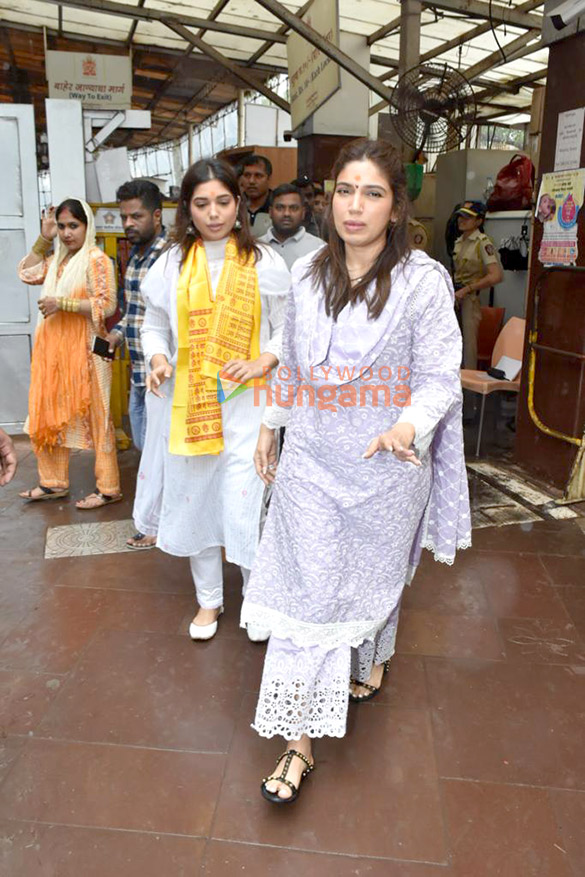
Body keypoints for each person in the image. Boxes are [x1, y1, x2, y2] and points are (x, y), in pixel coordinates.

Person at [240, 138, 471, 804]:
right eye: (344, 190)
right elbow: (292, 349)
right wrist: (269, 423)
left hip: (386, 469)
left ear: (396, 206)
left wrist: (405, 426)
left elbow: (434, 377)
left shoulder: (423, 282)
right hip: (312, 459)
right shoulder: (311, 271)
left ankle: (371, 655)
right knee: (306, 597)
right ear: (328, 198)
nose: (355, 205)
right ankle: (296, 743)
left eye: (372, 192)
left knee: (373, 581)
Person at [134, 158, 290, 642]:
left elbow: (289, 328)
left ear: (239, 204)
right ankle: (209, 602)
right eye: (202, 203)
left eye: (223, 201)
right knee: (196, 500)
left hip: (249, 410)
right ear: (187, 208)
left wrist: (266, 358)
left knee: (245, 504)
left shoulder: (265, 262)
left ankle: (257, 598)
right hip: (191, 409)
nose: (214, 213)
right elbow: (155, 325)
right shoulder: (172, 264)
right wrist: (159, 359)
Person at [17, 199, 122, 509]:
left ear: (87, 227)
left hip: (89, 351)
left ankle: (108, 488)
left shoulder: (96, 259)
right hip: (54, 353)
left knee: (99, 416)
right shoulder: (57, 261)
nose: (66, 233)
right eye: (62, 226)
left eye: (73, 226)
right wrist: (43, 237)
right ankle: (52, 482)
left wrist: (63, 304)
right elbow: (26, 272)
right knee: (49, 410)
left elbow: (107, 304)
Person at [105, 180, 168, 550]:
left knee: (158, 454)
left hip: (160, 374)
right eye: (124, 216)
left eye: (137, 216)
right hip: (138, 371)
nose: (128, 223)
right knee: (148, 452)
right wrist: (115, 336)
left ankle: (158, 524)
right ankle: (155, 520)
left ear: (157, 215)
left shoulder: (168, 257)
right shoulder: (138, 254)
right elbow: (134, 313)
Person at [452, 201, 503, 370]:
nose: (462, 220)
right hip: (455, 297)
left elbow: (495, 276)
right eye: (461, 216)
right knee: (453, 344)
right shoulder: (459, 242)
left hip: (469, 299)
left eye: (468, 217)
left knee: (469, 348)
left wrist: (468, 289)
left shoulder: (483, 242)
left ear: (479, 221)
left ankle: (470, 392)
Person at [258, 184, 323, 270]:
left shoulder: (319, 249)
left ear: (303, 212)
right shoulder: (256, 247)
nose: (286, 214)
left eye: (294, 208)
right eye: (280, 208)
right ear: (270, 212)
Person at [239, 154, 273, 236]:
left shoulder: (278, 207)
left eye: (258, 176)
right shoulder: (235, 206)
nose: (251, 181)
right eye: (247, 175)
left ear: (269, 178)